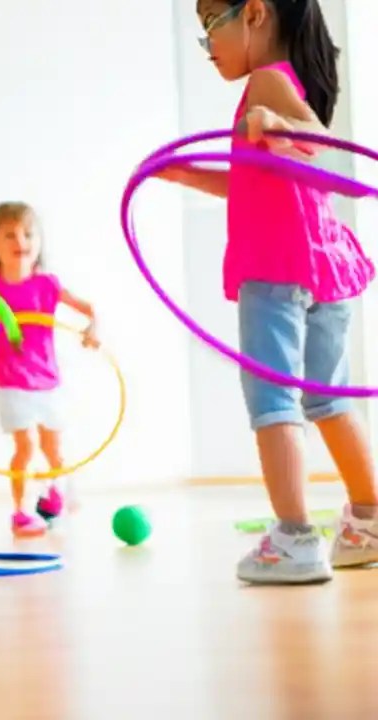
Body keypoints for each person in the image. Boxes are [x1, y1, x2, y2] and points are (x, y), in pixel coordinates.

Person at [156, 0, 378, 583]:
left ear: (253, 13)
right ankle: (371, 519)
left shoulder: (266, 81)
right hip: (322, 261)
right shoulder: (279, 82)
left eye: (209, 26)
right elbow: (255, 184)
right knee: (327, 397)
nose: (206, 46)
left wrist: (286, 126)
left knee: (273, 398)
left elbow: (321, 141)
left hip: (277, 266)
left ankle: (295, 538)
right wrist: (188, 175)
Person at [0, 202, 98, 538]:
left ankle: (56, 493)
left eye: (27, 233)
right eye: (9, 235)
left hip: (47, 379)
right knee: (26, 446)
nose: (19, 240)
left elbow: (90, 309)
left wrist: (93, 328)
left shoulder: (47, 285)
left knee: (54, 449)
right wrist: (2, 332)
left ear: (39, 242)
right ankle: (20, 511)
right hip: (10, 380)